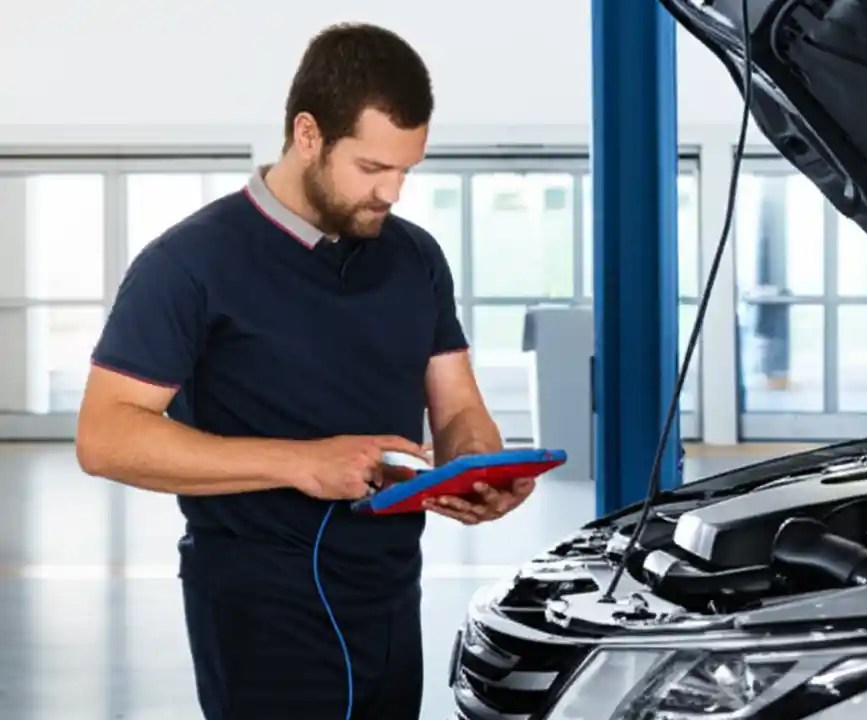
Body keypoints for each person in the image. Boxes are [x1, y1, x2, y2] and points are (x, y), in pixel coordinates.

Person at [74, 22, 534, 719]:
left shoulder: (416, 258)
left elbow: (459, 404)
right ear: (308, 134)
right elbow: (105, 437)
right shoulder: (188, 263)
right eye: (373, 170)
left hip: (388, 597)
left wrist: (474, 470)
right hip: (258, 608)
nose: (394, 193)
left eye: (407, 169)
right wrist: (301, 463)